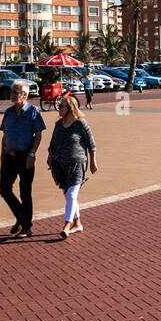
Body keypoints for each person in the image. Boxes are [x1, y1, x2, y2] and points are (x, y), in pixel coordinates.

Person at [47, 95, 97, 240]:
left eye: (61, 106)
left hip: (77, 164)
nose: (59, 108)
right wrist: (50, 157)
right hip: (60, 165)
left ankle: (67, 226)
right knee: (68, 196)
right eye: (59, 105)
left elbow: (91, 145)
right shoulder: (58, 125)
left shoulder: (81, 124)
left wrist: (93, 162)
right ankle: (77, 223)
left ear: (70, 108)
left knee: (71, 195)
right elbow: (52, 144)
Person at [0, 84, 46, 239]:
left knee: (25, 192)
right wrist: (2, 155)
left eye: (16, 92)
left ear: (25, 95)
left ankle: (26, 227)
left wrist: (32, 155)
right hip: (9, 156)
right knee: (4, 190)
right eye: (12, 92)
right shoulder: (8, 112)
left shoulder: (33, 111)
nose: (12, 95)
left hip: (25, 157)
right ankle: (21, 217)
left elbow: (38, 135)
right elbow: (5, 135)